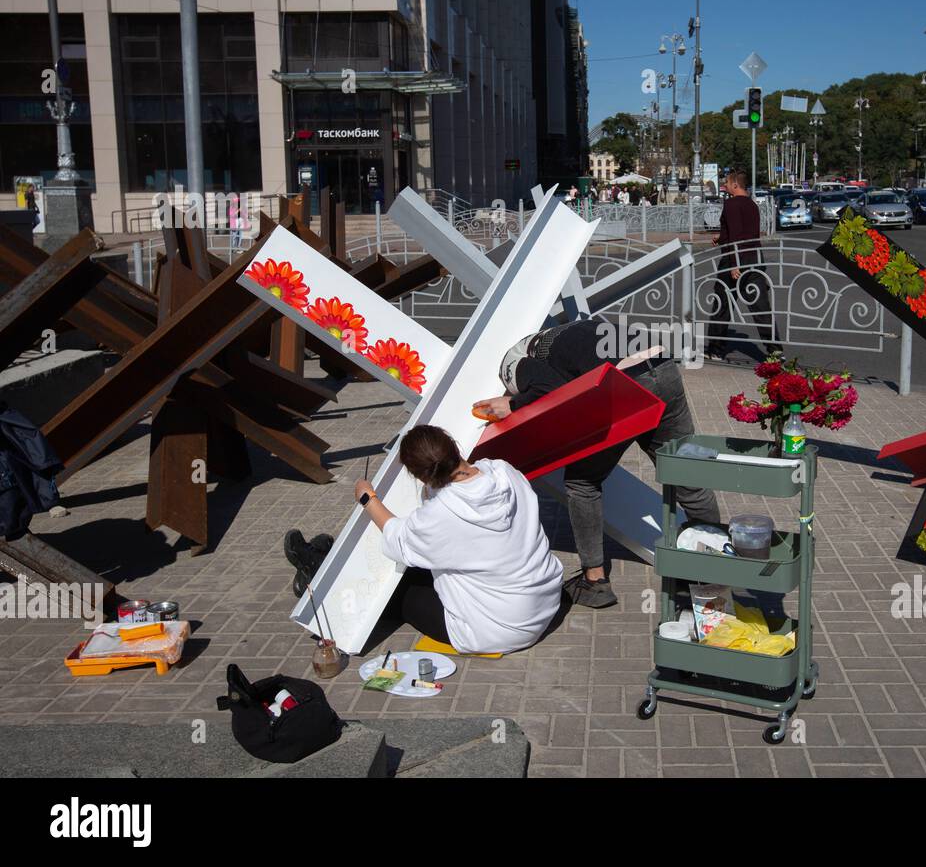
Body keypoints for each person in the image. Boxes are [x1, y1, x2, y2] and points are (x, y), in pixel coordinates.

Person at [473, 318, 720, 609]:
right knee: (687, 477)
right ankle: (712, 569)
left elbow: (545, 388)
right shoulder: (570, 331)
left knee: (582, 482)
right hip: (664, 366)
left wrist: (512, 404)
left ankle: (594, 582)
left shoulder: (514, 360)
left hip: (625, 384)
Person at [286, 425, 562, 654]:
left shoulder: (442, 514)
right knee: (423, 561)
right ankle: (328, 557)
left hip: (496, 628)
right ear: (454, 446)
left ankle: (317, 569)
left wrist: (367, 499)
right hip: (543, 603)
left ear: (420, 475)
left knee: (393, 581)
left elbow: (398, 539)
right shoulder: (503, 471)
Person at [705, 168, 782, 360]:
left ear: (735, 184)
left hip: (734, 259)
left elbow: (737, 235)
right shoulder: (752, 205)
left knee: (722, 304)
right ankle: (775, 350)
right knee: (760, 306)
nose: (725, 186)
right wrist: (721, 236)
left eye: (727, 183)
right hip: (754, 257)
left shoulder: (731, 204)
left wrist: (734, 264)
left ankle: (715, 348)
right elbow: (743, 233)